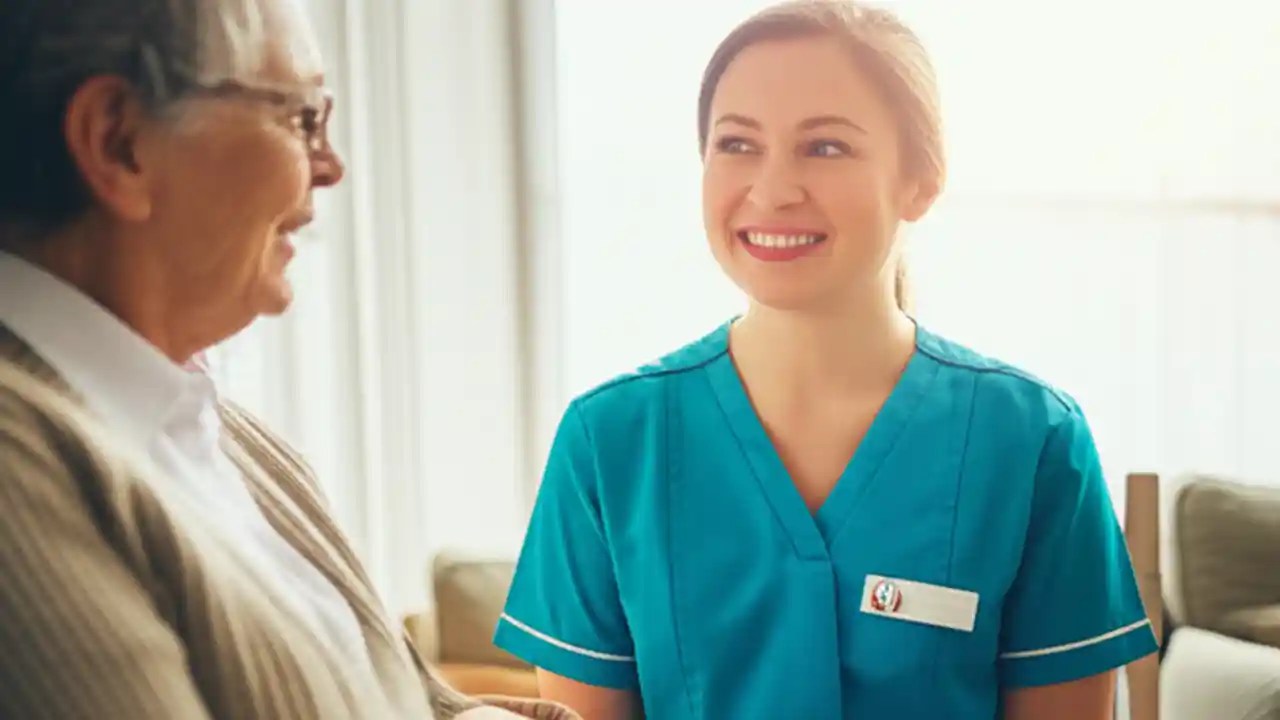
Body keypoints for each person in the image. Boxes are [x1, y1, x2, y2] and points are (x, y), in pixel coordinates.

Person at [493, 1, 1159, 718]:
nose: (773, 190)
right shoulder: (610, 443)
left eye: (827, 147)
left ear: (921, 180)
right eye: (738, 145)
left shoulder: (1032, 442)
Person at [0, 1, 574, 718]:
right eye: (300, 118)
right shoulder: (19, 463)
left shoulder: (230, 437)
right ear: (120, 144)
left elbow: (410, 705)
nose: (329, 167)